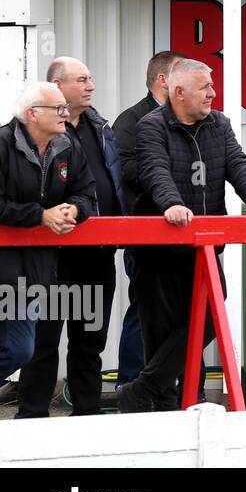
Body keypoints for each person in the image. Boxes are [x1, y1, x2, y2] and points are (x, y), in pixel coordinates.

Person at [116, 59, 246, 413]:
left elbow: (239, 167)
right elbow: (154, 171)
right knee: (159, 334)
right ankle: (161, 413)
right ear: (178, 92)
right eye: (204, 86)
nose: (213, 93)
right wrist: (172, 204)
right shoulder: (151, 126)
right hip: (158, 250)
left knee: (207, 315)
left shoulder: (219, 125)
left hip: (204, 246)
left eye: (212, 85)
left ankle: (140, 390)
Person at [16, 58, 127, 418]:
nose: (91, 86)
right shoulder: (28, 136)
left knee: (89, 340)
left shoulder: (99, 127)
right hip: (49, 258)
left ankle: (88, 414)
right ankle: (31, 416)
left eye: (91, 79)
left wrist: (81, 211)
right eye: (82, 80)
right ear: (57, 87)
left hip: (94, 255)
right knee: (43, 341)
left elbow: (100, 186)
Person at [0, 84, 97, 385]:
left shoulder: (68, 145)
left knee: (19, 349)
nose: (66, 114)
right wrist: (40, 216)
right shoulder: (1, 144)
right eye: (58, 108)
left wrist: (73, 210)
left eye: (65, 108)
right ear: (32, 114)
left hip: (32, 273)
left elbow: (87, 192)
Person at [111, 50, 183, 385]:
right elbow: (124, 168)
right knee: (144, 313)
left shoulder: (192, 119)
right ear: (163, 79)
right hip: (147, 235)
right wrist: (168, 175)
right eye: (181, 74)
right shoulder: (131, 121)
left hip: (186, 236)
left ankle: (182, 391)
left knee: (188, 315)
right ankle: (130, 388)